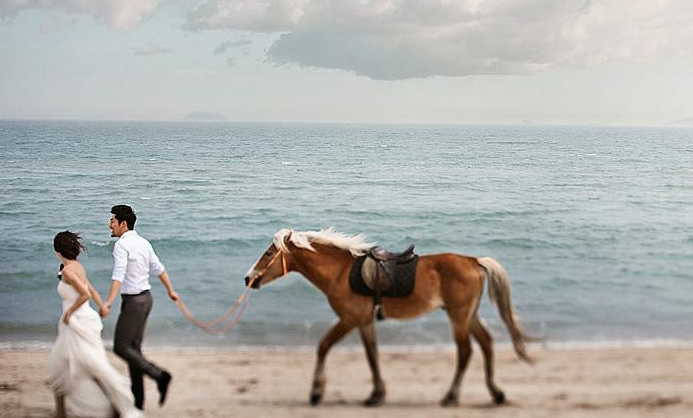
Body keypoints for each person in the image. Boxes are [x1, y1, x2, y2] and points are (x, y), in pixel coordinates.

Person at [49, 231, 142, 418]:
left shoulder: (68, 270)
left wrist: (69, 312)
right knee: (65, 365)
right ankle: (61, 412)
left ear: (58, 251)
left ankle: (116, 405)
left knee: (87, 367)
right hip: (79, 322)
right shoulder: (77, 266)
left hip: (76, 323)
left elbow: (85, 294)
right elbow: (89, 287)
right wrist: (102, 306)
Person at [101, 205, 179, 410]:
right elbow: (159, 269)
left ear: (123, 224)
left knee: (121, 347)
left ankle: (160, 376)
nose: (110, 224)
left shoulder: (121, 246)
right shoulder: (144, 242)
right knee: (133, 350)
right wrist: (171, 291)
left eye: (112, 221)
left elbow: (118, 275)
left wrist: (108, 302)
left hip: (134, 303)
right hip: (146, 300)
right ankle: (138, 403)